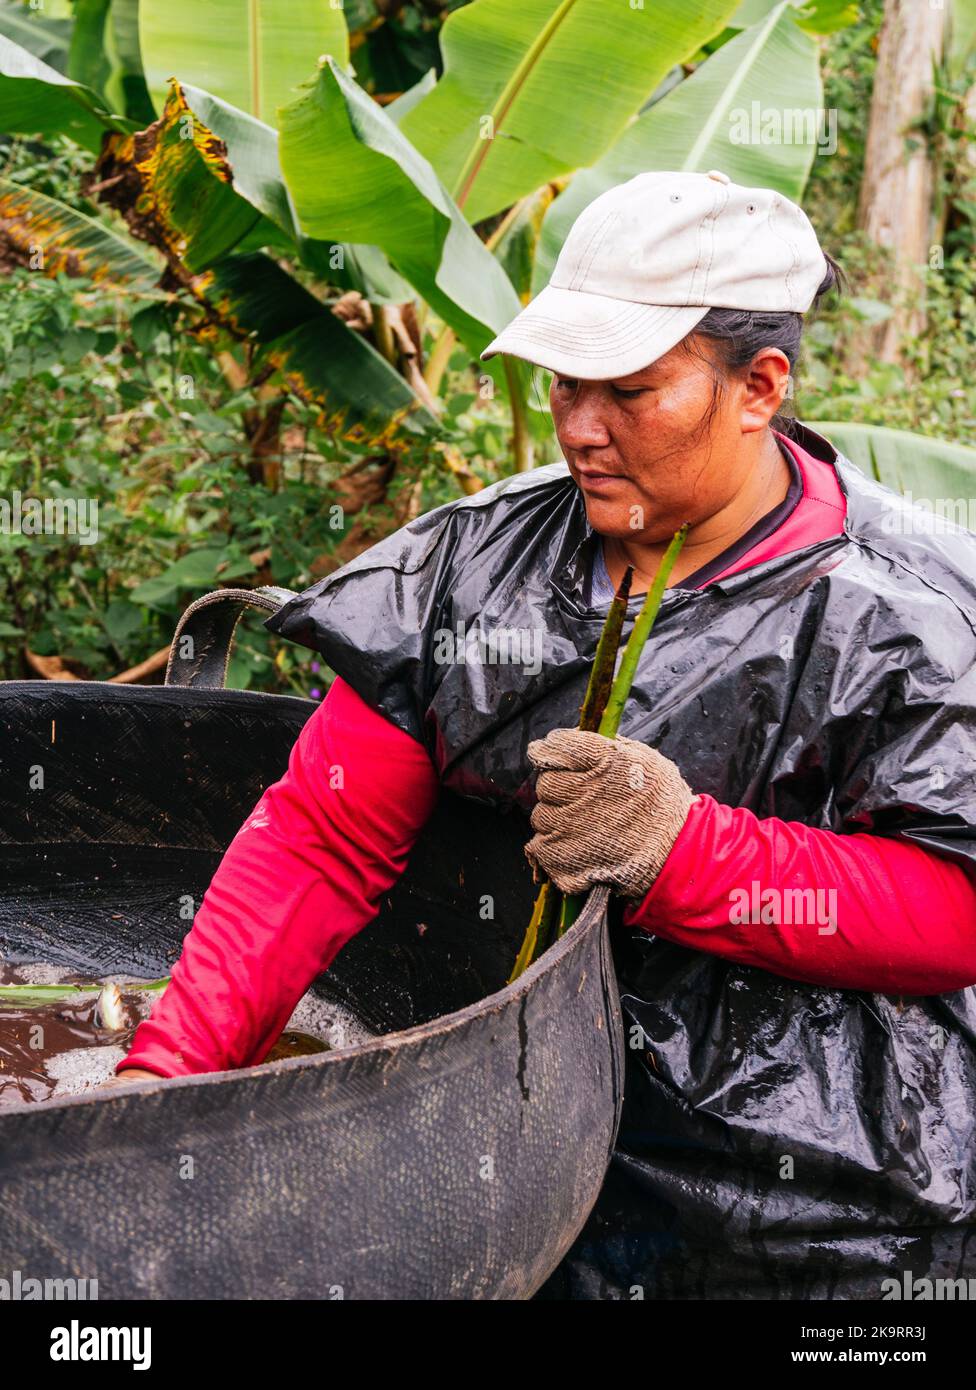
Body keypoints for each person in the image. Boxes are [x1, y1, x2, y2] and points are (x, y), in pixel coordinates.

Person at [111, 171, 976, 1299]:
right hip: (519, 1152)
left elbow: (956, 912)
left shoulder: (907, 613)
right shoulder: (475, 568)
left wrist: (689, 854)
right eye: (565, 380)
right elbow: (322, 840)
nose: (578, 426)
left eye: (627, 389)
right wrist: (156, 1089)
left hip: (825, 1200)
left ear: (760, 385)